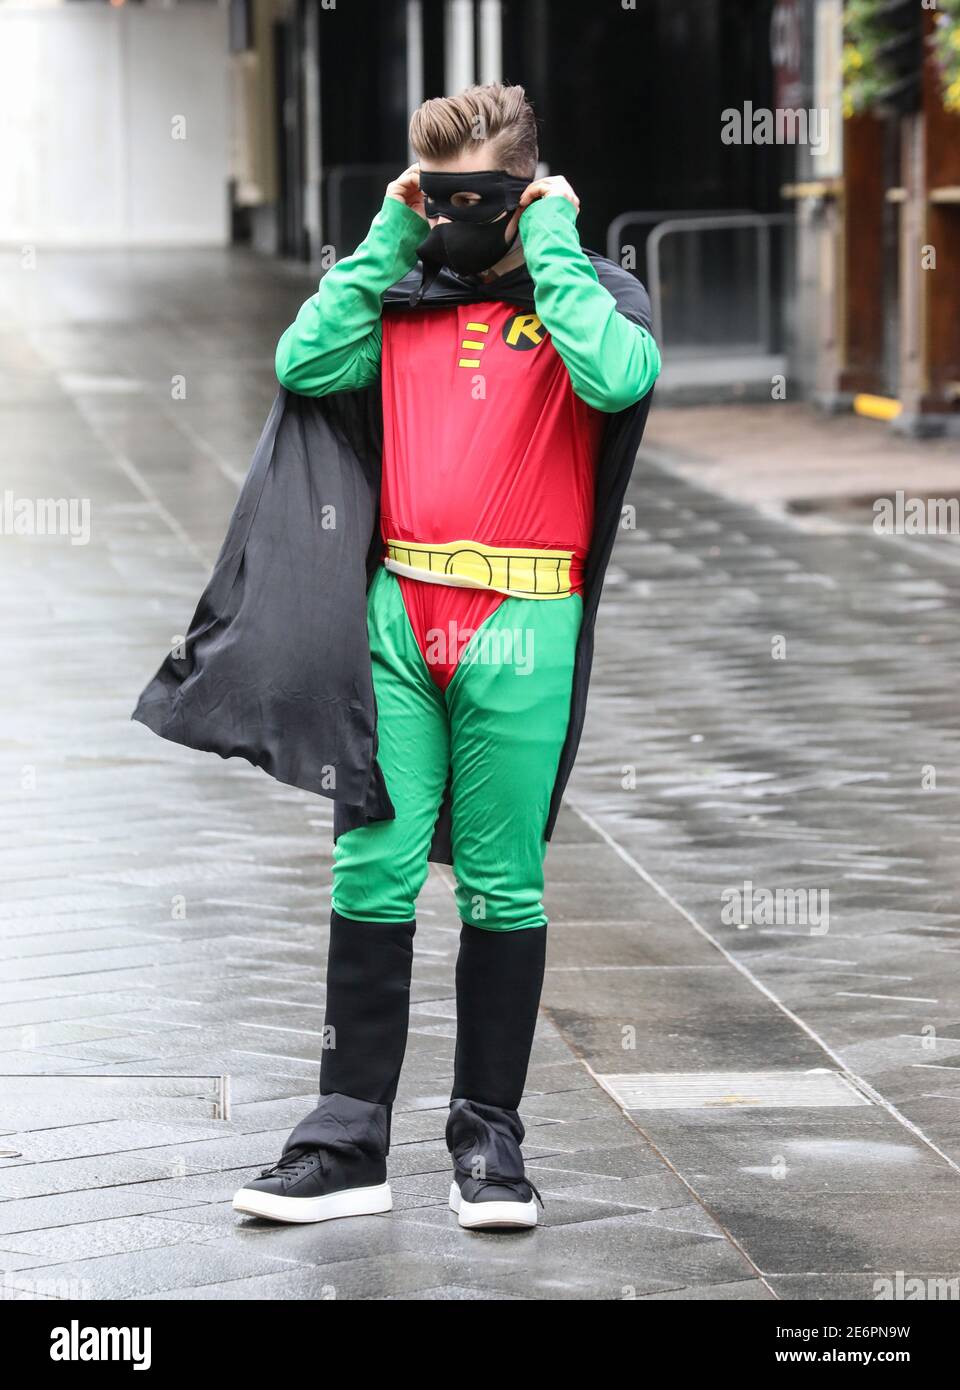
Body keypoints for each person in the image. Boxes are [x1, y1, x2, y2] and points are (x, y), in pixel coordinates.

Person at [142, 81, 659, 1232]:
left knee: (502, 883)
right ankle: (344, 1139)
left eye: (481, 196)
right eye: (440, 195)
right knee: (368, 872)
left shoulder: (590, 297)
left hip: (526, 621)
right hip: (398, 613)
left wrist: (555, 243)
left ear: (528, 189)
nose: (458, 216)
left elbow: (619, 378)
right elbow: (301, 360)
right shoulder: (397, 300)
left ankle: (490, 1139)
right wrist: (387, 232)